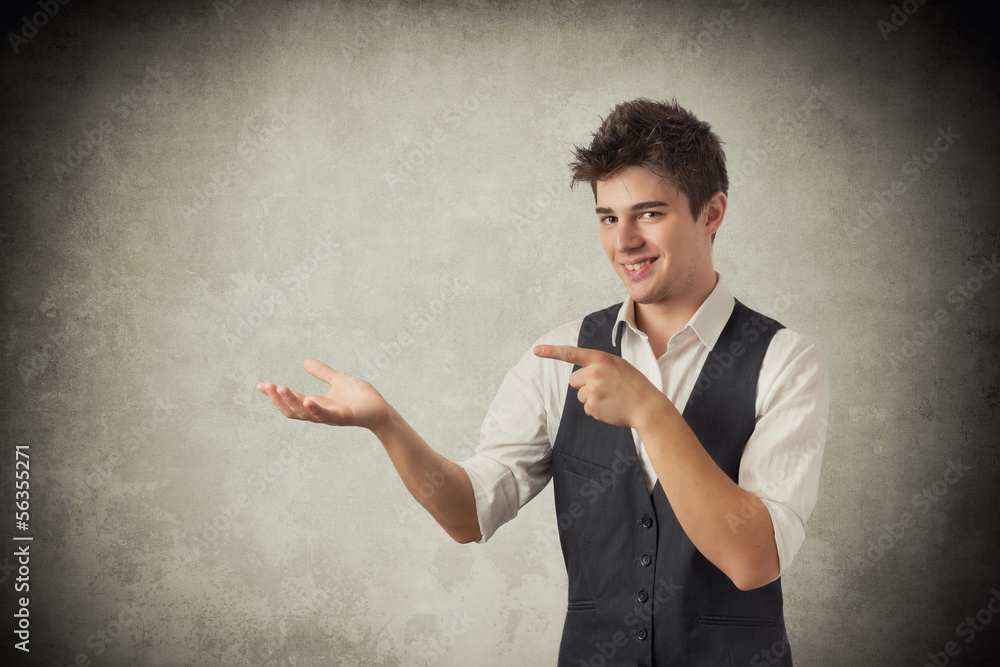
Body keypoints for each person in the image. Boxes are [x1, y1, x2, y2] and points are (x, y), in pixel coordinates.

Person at [257, 98, 829, 666]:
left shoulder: (785, 361)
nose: (623, 241)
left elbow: (753, 560)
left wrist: (650, 413)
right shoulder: (557, 356)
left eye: (649, 214)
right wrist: (386, 425)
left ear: (712, 213)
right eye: (608, 217)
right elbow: (467, 515)